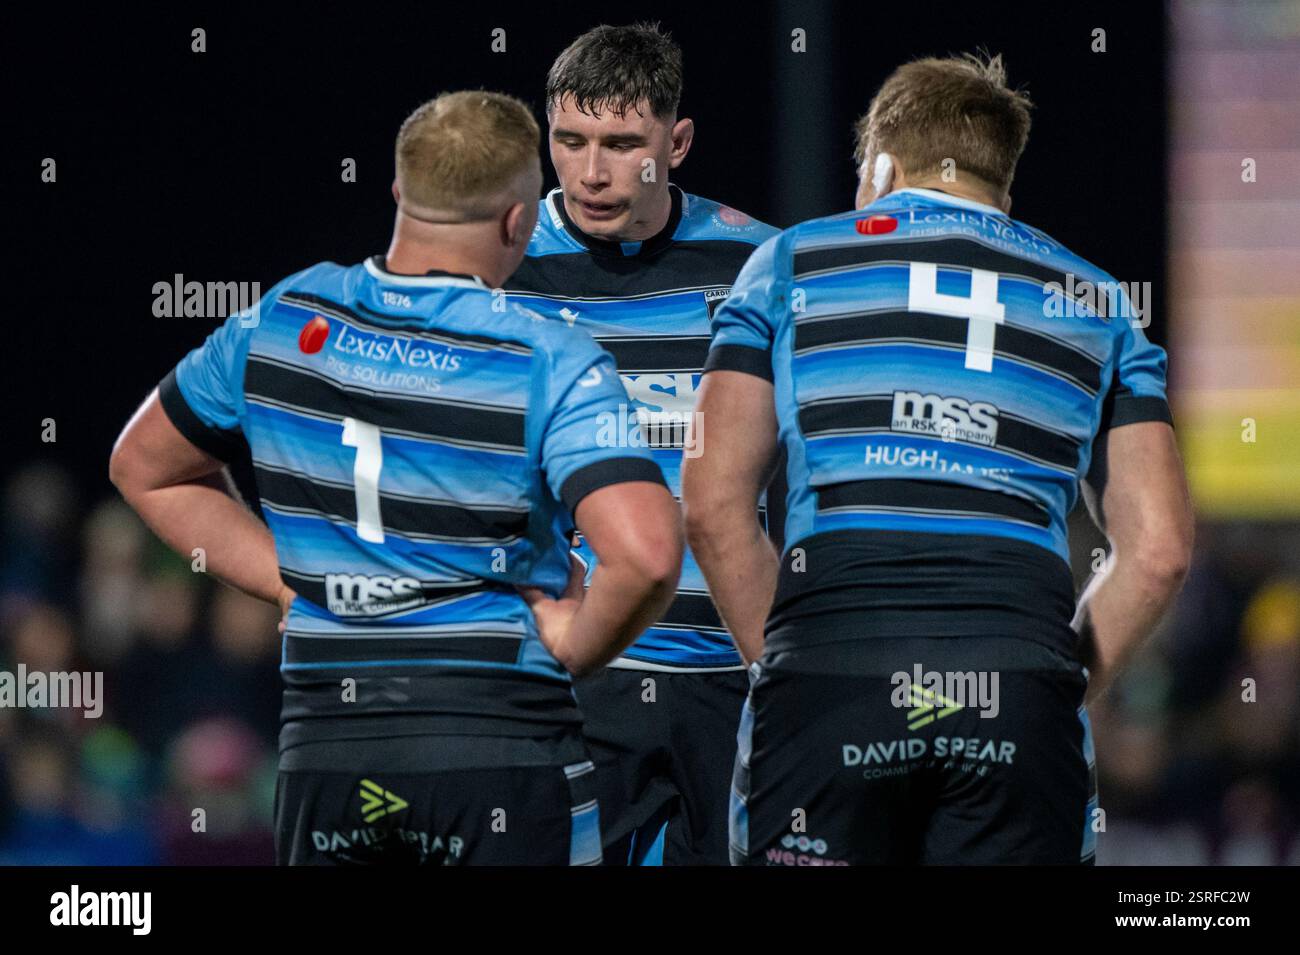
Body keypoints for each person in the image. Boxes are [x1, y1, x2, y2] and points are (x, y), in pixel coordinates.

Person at [110, 90, 682, 865]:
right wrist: (576, 644)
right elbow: (646, 554)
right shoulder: (546, 355)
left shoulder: (284, 314)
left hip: (327, 751)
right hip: (499, 744)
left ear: (397, 194)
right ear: (518, 223)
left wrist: (288, 585)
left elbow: (144, 467)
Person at [682, 53, 1194, 865]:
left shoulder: (790, 263)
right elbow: (1160, 550)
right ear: (1003, 185)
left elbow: (711, 503)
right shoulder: (1100, 302)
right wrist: (1048, 688)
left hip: (832, 670)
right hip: (1017, 683)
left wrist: (788, 662)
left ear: (880, 168)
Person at [504, 22, 778, 865]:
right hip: (570, 675)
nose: (590, 172)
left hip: (734, 681)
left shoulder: (761, 264)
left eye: (623, 144)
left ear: (678, 141)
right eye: (569, 140)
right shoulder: (497, 271)